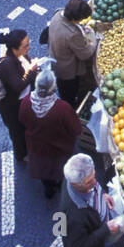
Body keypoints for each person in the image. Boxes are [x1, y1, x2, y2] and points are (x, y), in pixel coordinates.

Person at [20, 69, 82, 199]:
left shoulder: (25, 102)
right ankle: (60, 185)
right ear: (53, 88)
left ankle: (48, 190)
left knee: (43, 171)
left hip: (37, 147)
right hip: (59, 148)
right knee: (59, 170)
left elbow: (22, 120)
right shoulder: (62, 108)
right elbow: (76, 129)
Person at [61, 152, 124, 247]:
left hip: (101, 218)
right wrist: (105, 230)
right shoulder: (72, 216)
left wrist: (103, 195)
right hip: (100, 231)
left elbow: (94, 185)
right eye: (89, 182)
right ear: (74, 184)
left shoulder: (80, 176)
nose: (94, 183)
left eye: (94, 176)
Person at [47, 0, 100, 109]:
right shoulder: (72, 34)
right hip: (68, 70)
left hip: (56, 60)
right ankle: (71, 109)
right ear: (75, 18)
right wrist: (91, 36)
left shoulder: (57, 15)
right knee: (69, 94)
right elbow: (85, 54)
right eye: (81, 20)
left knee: (63, 88)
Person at [0, 29, 38, 162]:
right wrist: (31, 73)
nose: (29, 47)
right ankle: (21, 154)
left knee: (25, 127)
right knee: (17, 132)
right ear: (15, 48)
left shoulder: (22, 55)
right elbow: (18, 86)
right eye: (25, 46)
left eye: (28, 43)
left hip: (23, 101)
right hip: (12, 107)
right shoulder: (7, 64)